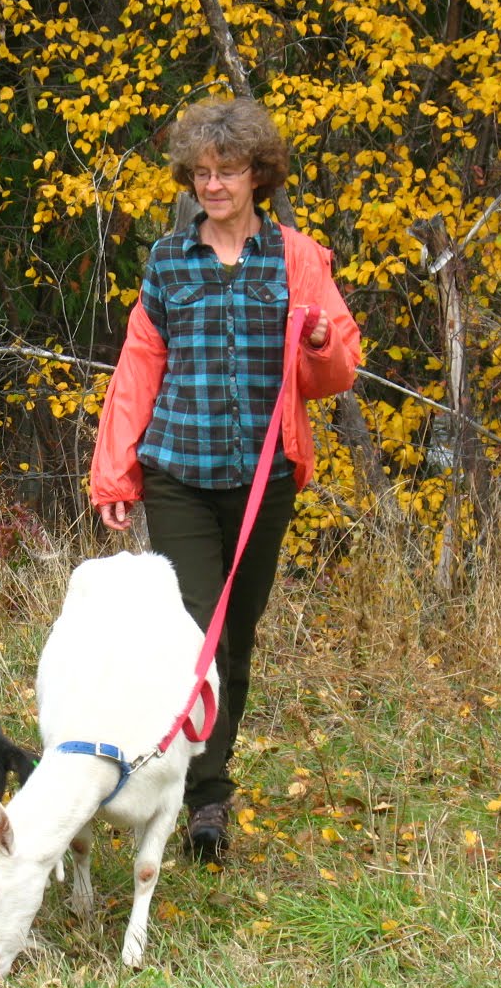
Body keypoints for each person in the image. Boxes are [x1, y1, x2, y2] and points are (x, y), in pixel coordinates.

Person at [89, 96, 362, 860]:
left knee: (235, 638)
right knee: (195, 635)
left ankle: (207, 784)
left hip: (263, 480)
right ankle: (198, 793)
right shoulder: (167, 260)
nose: (213, 185)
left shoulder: (297, 259)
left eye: (228, 170)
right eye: (202, 173)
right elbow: (139, 368)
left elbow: (336, 372)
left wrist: (318, 340)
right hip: (178, 472)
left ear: (257, 175)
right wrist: (115, 474)